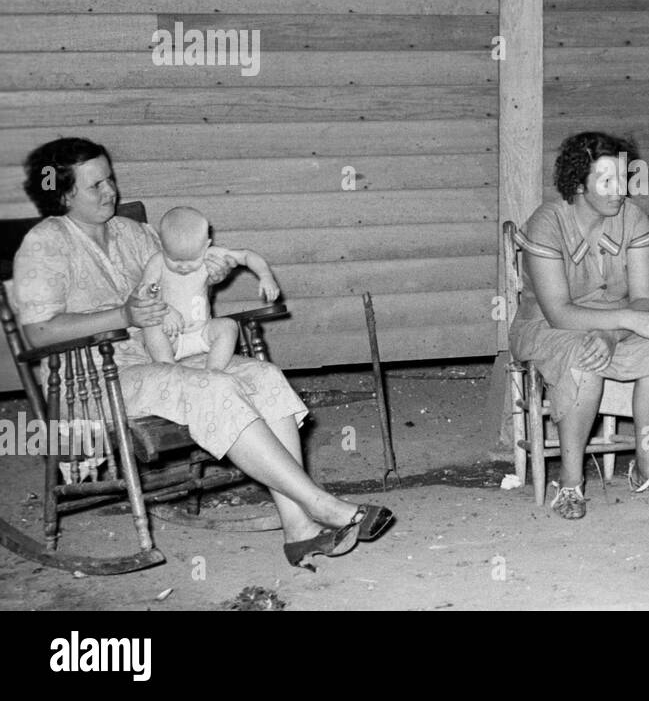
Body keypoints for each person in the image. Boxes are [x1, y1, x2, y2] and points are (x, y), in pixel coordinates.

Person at [11, 138, 394, 570]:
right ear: (63, 194)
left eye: (110, 179)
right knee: (213, 387)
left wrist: (208, 272)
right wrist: (121, 313)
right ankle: (320, 504)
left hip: (165, 358)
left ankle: (298, 530)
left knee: (262, 376)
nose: (110, 191)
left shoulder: (132, 232)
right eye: (95, 185)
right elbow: (39, 332)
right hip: (98, 379)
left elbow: (179, 276)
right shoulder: (45, 244)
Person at [509, 131, 649, 520]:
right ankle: (570, 482)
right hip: (548, 327)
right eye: (606, 181)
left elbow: (645, 300)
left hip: (615, 328)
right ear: (578, 184)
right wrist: (625, 320)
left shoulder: (634, 218)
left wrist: (613, 332)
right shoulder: (547, 223)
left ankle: (647, 469)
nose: (619, 190)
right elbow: (559, 312)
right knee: (585, 362)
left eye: (622, 179)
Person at [140, 206, 281, 372]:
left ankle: (213, 370)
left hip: (202, 334)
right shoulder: (157, 263)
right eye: (175, 260)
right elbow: (144, 292)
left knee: (228, 326)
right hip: (171, 338)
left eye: (192, 260)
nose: (184, 266)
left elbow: (246, 255)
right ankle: (169, 370)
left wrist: (265, 276)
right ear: (162, 245)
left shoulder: (210, 254)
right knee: (151, 328)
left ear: (206, 245)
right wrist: (164, 310)